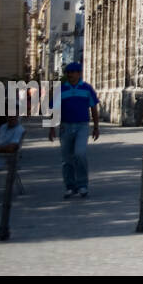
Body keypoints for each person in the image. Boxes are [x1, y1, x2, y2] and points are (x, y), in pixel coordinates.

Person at [47, 62, 100, 199]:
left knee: (80, 154)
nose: (70, 75)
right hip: (65, 126)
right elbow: (54, 110)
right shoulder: (61, 90)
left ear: (79, 73)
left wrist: (96, 127)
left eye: (72, 72)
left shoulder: (87, 88)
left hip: (82, 126)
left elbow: (93, 109)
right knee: (67, 159)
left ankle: (82, 185)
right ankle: (70, 186)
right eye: (68, 72)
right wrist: (51, 128)